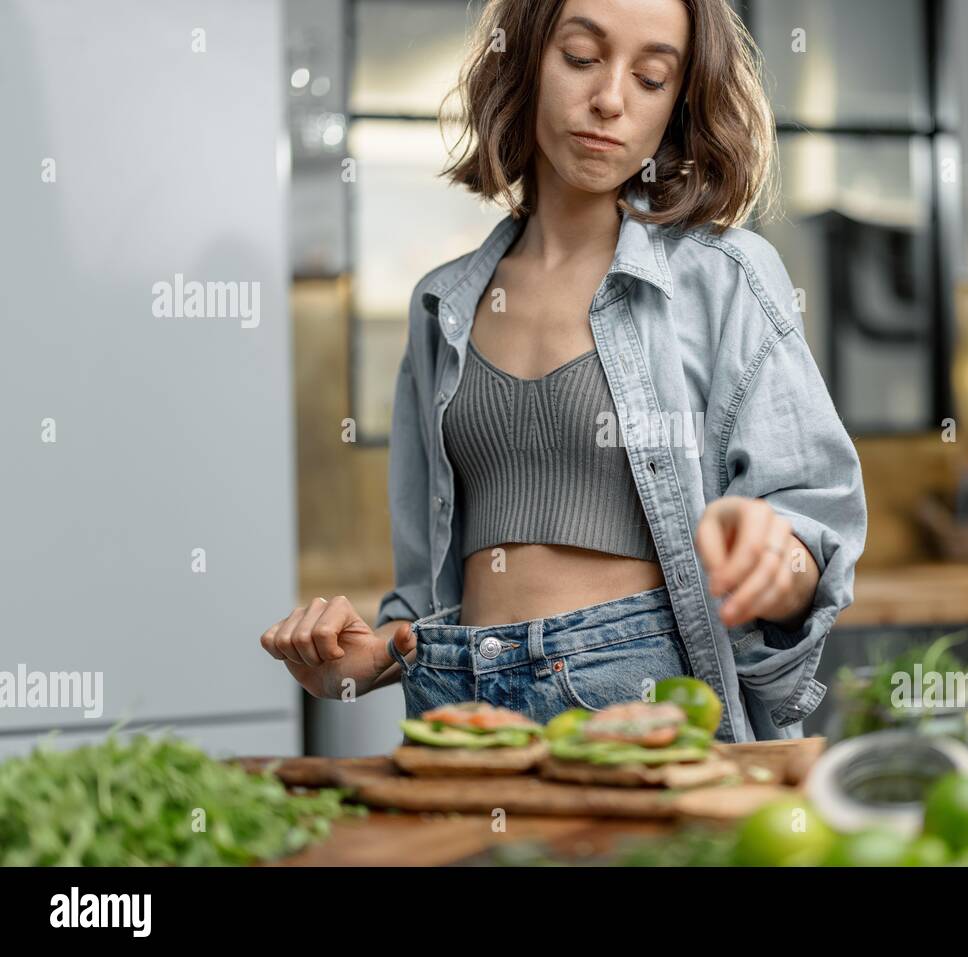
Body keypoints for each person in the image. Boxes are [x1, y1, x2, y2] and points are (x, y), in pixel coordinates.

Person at [259, 0, 867, 743]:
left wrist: (781, 562)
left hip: (640, 699)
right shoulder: (441, 306)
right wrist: (365, 660)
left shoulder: (725, 277)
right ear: (524, 60)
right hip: (463, 708)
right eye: (580, 58)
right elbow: (426, 596)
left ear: (676, 104)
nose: (610, 98)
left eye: (650, 78)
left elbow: (813, 524)